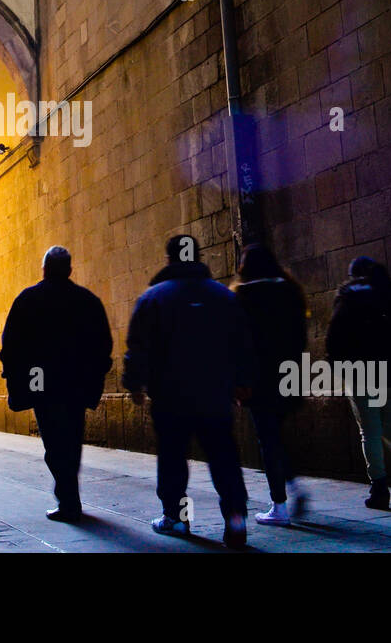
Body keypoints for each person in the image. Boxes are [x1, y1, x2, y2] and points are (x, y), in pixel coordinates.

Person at [124, 234, 252, 548]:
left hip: (170, 397)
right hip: (215, 394)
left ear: (169, 259)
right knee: (224, 458)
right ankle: (236, 523)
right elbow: (243, 344)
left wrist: (135, 384)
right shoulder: (223, 296)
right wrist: (243, 381)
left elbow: (138, 347)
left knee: (172, 459)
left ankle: (177, 519)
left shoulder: (153, 298)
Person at [0, 246, 113, 522]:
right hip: (74, 384)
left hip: (42, 385)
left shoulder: (28, 300)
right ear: (70, 270)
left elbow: (11, 344)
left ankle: (69, 501)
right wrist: (93, 378)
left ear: (44, 269)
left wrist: (15, 380)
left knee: (53, 442)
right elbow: (102, 346)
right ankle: (70, 498)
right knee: (72, 440)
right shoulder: (87, 301)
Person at [327, 256, 391, 510]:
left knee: (369, 431)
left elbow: (335, 335)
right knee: (390, 426)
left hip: (362, 374)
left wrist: (338, 367)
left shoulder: (348, 295)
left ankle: (379, 489)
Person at [233, 243, 309, 525]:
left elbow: (239, 344)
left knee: (269, 440)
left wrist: (239, 381)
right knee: (277, 436)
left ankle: (280, 504)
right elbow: (300, 336)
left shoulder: (242, 296)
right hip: (288, 375)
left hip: (258, 380)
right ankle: (293, 486)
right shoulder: (291, 291)